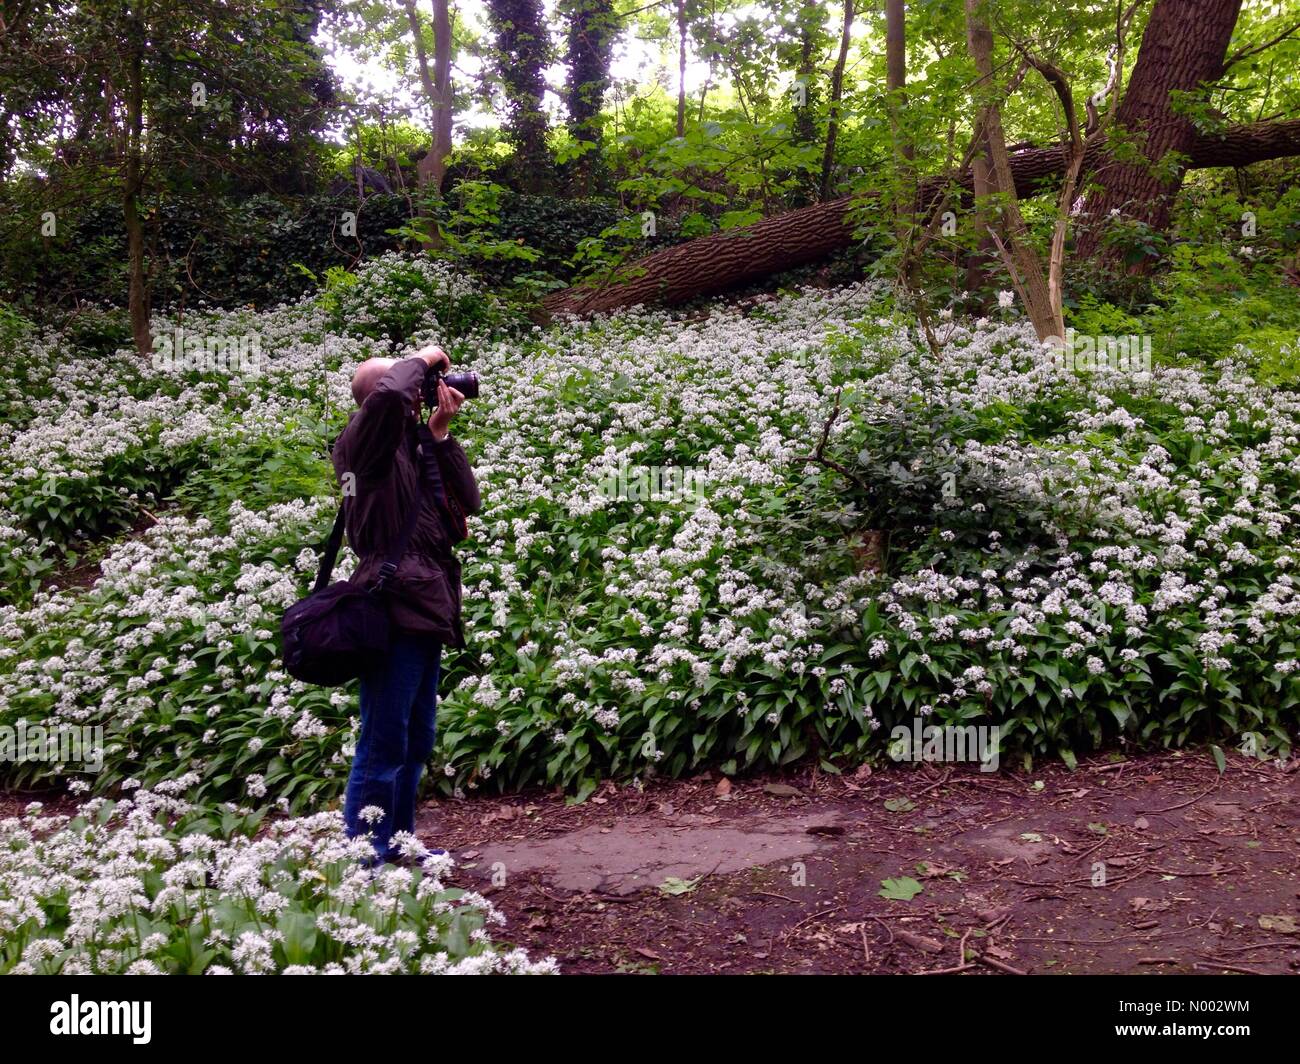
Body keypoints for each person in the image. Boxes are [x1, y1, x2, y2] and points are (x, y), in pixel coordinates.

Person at [331, 345, 480, 865]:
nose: (416, 394)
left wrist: (439, 434)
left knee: (415, 737)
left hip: (426, 599)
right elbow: (391, 392)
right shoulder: (361, 446)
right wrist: (422, 355)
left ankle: (398, 844)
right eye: (411, 389)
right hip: (392, 600)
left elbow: (469, 500)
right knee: (384, 739)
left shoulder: (411, 446)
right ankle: (363, 858)